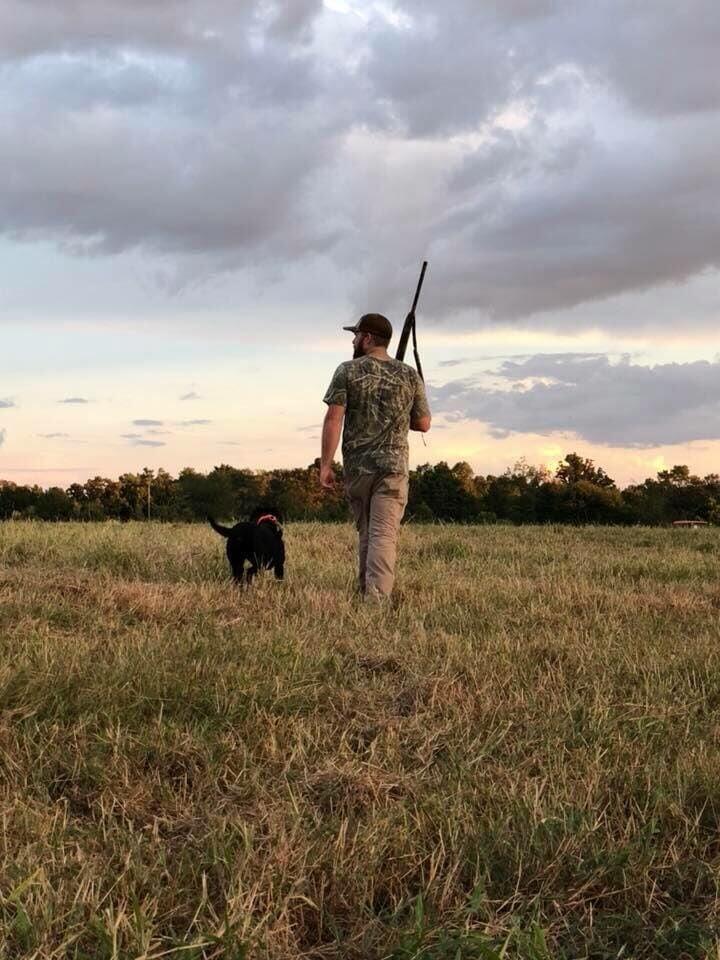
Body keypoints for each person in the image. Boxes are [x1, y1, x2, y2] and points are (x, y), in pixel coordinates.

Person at [320, 312, 431, 600]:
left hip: (359, 469)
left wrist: (326, 465)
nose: (354, 340)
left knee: (369, 532)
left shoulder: (347, 370)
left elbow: (334, 419)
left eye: (356, 335)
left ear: (367, 338)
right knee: (383, 533)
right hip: (393, 469)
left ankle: (369, 594)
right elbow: (423, 423)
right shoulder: (409, 374)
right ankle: (376, 598)